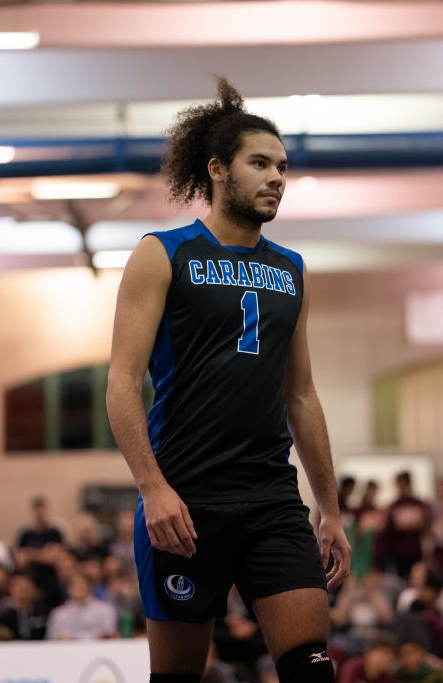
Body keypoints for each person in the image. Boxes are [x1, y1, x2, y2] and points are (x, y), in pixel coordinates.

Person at [106, 76, 351, 683]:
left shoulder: (291, 269)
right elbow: (122, 379)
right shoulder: (163, 253)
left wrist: (330, 508)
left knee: (312, 669)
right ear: (217, 169)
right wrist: (151, 487)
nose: (276, 178)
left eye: (282, 167)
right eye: (260, 163)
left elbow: (302, 394)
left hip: (271, 497)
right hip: (185, 500)